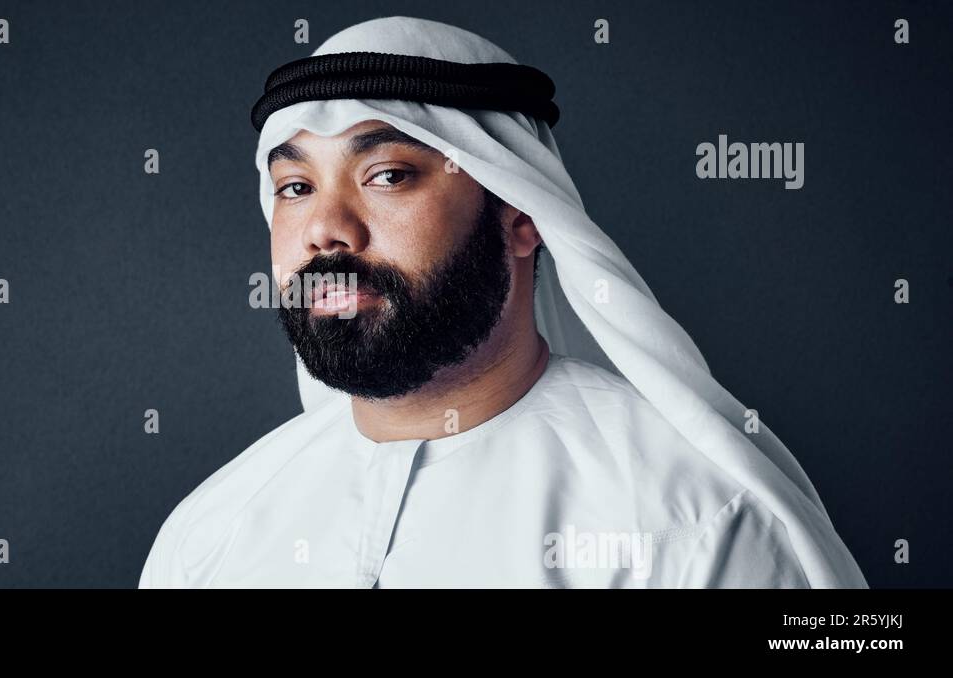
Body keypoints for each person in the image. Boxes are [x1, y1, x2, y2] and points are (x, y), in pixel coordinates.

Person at [139, 16, 867, 588]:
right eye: (296, 188)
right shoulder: (210, 532)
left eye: (387, 175)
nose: (326, 228)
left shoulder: (697, 521)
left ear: (520, 214)